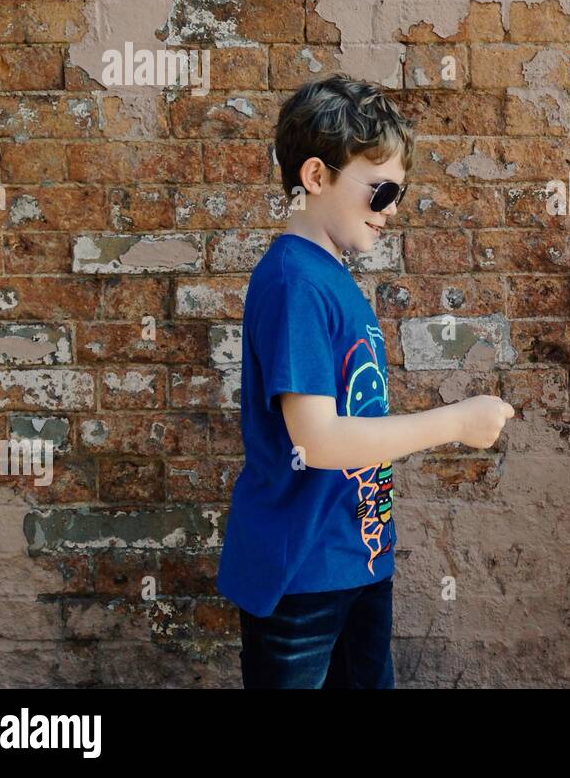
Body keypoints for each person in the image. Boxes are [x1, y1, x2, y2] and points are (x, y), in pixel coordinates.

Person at [217, 73, 515, 688]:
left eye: (398, 195)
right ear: (317, 177)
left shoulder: (329, 277)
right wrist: (456, 423)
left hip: (358, 557)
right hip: (302, 571)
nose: (392, 211)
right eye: (380, 191)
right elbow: (316, 440)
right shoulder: (295, 281)